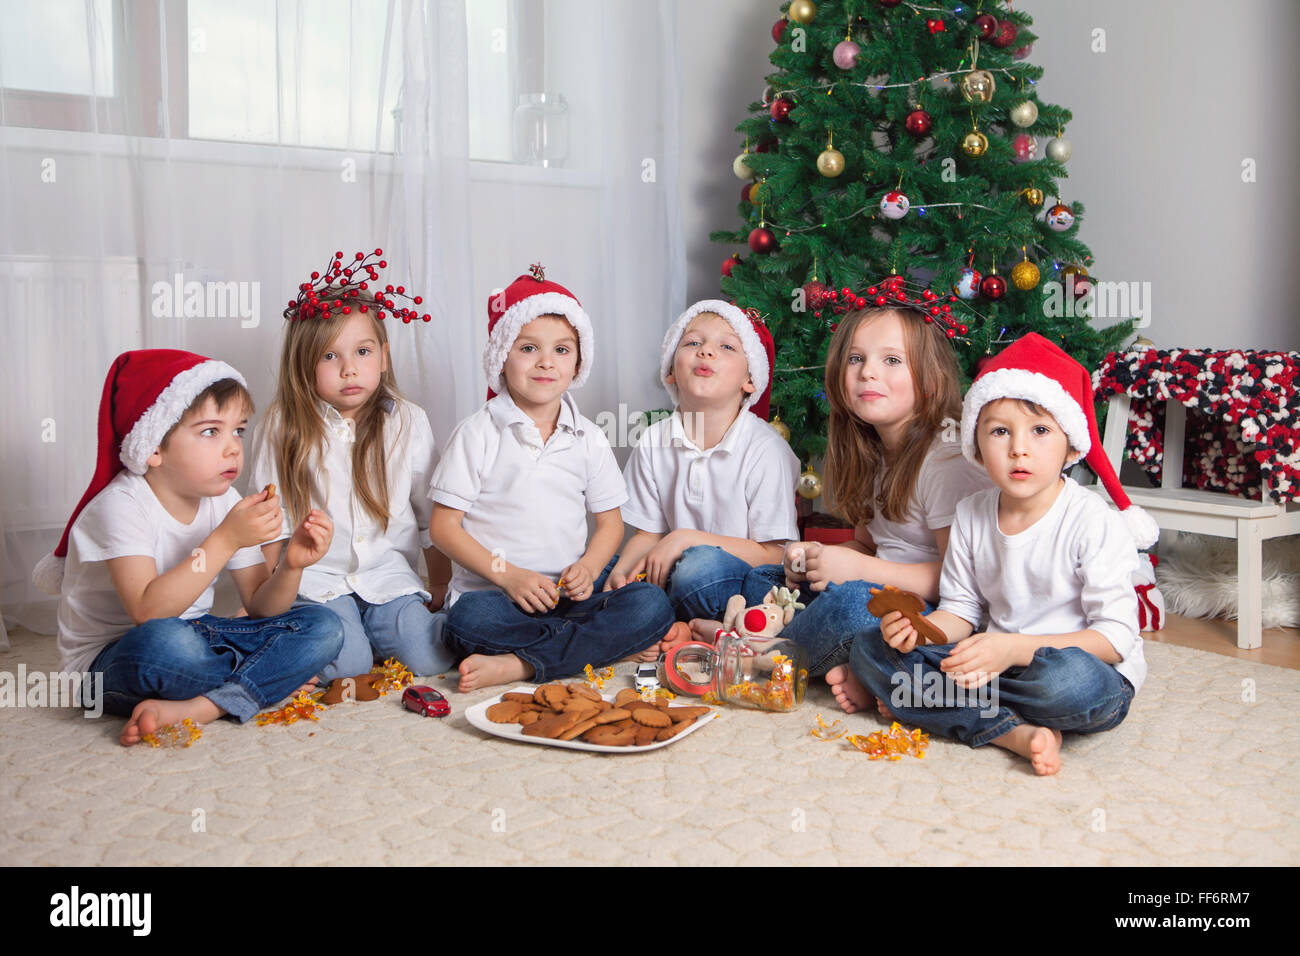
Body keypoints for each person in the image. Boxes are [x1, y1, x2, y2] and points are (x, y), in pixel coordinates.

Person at [839, 333, 1159, 775]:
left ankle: (936, 706)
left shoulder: (1092, 519)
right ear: (977, 444)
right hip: (991, 664)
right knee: (869, 650)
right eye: (1000, 431)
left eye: (1041, 430)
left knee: (1071, 682)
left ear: (1071, 445)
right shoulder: (971, 514)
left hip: (1066, 669)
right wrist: (921, 629)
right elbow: (962, 611)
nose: (1018, 449)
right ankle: (1012, 732)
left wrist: (1013, 649)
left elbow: (1114, 639)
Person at [34, 349, 343, 746]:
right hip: (113, 660)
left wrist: (292, 566)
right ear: (153, 448)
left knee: (323, 626)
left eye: (239, 431)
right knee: (169, 642)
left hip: (200, 636)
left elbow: (262, 607)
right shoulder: (120, 504)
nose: (233, 448)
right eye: (211, 432)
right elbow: (148, 611)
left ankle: (205, 706)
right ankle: (262, 681)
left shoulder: (225, 501)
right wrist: (227, 538)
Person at [698, 289, 991, 695]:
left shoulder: (944, 460)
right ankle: (761, 630)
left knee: (852, 606)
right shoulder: (876, 448)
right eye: (856, 359)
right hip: (877, 587)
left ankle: (763, 653)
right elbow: (868, 546)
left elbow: (956, 582)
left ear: (929, 377)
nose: (868, 372)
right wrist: (818, 557)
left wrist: (857, 571)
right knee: (766, 576)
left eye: (891, 360)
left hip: (928, 615)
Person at [430, 264, 684, 691]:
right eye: (528, 348)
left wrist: (587, 566)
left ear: (578, 361)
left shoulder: (588, 436)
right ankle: (594, 649)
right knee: (467, 624)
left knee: (651, 605)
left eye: (562, 350)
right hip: (497, 596)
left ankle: (523, 665)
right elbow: (443, 527)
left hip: (567, 597)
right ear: (501, 357)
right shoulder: (478, 432)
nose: (546, 362)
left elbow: (610, 524)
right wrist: (508, 575)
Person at [248, 249, 454, 683]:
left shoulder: (408, 421)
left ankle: (374, 632)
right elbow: (271, 522)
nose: (348, 369)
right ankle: (324, 637)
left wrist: (439, 585)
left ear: (383, 355)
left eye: (362, 352)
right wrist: (267, 600)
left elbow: (428, 515)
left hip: (388, 579)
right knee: (349, 665)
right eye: (329, 357)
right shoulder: (283, 425)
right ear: (304, 364)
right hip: (316, 582)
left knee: (431, 656)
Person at [606, 300, 799, 627]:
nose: (706, 352)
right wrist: (622, 576)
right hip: (678, 572)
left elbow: (775, 555)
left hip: (748, 584)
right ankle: (676, 624)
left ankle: (687, 624)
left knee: (699, 569)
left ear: (749, 380)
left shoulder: (766, 448)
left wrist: (686, 538)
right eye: (693, 343)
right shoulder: (654, 441)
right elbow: (648, 536)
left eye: (726, 347)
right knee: (604, 576)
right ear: (670, 371)